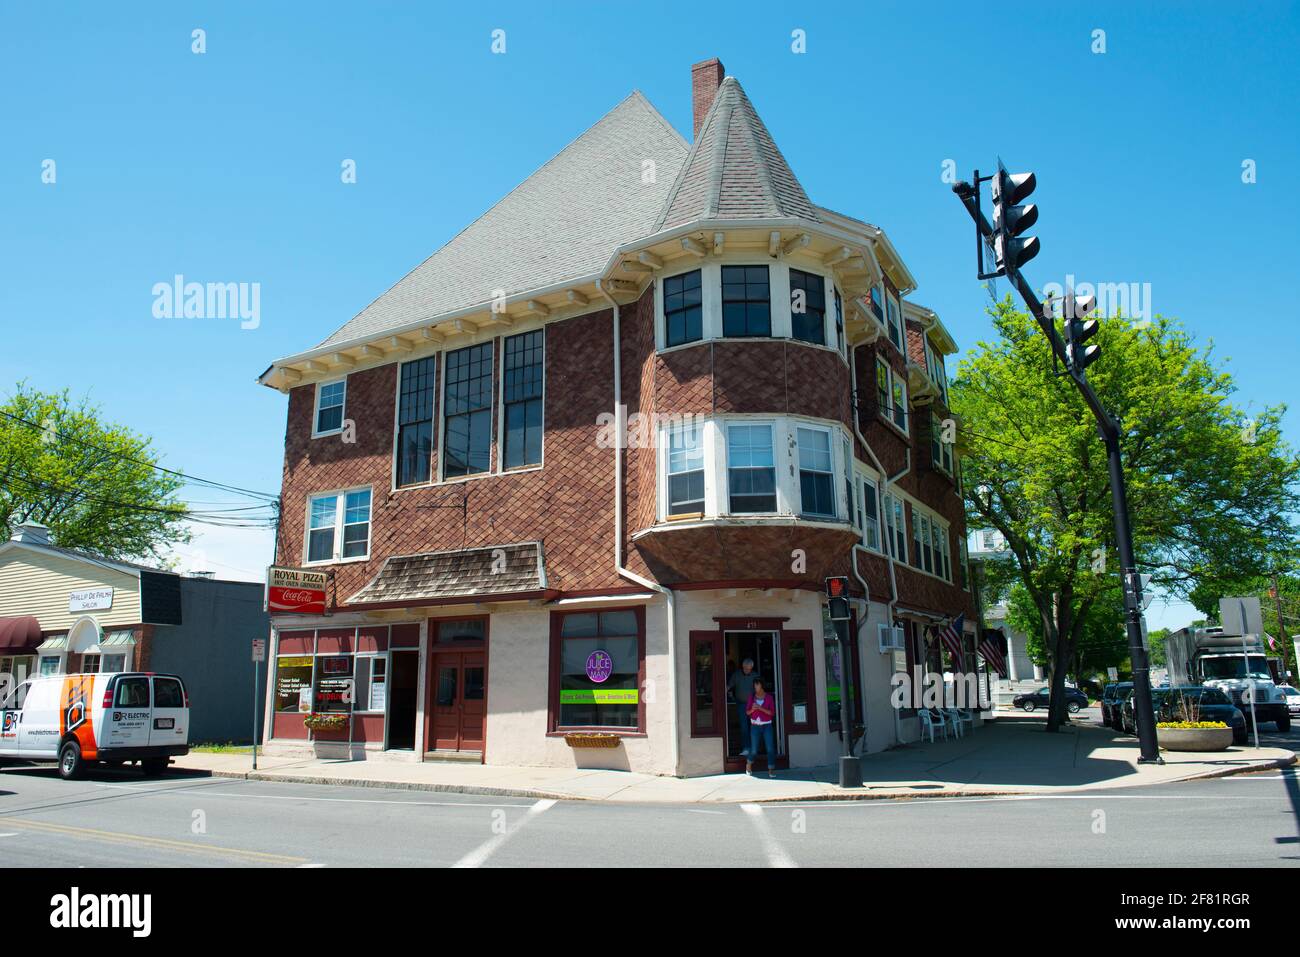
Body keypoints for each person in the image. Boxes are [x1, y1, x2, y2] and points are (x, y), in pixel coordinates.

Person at [727, 658, 759, 757]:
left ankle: (754, 748)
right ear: (743, 667)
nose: (747, 671)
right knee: (744, 727)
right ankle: (746, 748)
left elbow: (760, 690)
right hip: (741, 704)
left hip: (753, 705)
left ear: (751, 668)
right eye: (746, 668)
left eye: (749, 669)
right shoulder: (736, 675)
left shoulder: (755, 676)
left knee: (754, 726)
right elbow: (729, 686)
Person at [746, 678, 777, 776]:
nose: (755, 687)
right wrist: (752, 709)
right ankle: (749, 764)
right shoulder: (751, 697)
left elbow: (772, 713)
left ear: (762, 686)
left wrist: (760, 708)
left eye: (757, 685)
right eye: (754, 685)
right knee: (754, 749)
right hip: (755, 726)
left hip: (767, 725)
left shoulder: (769, 698)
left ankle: (771, 769)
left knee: (770, 748)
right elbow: (747, 712)